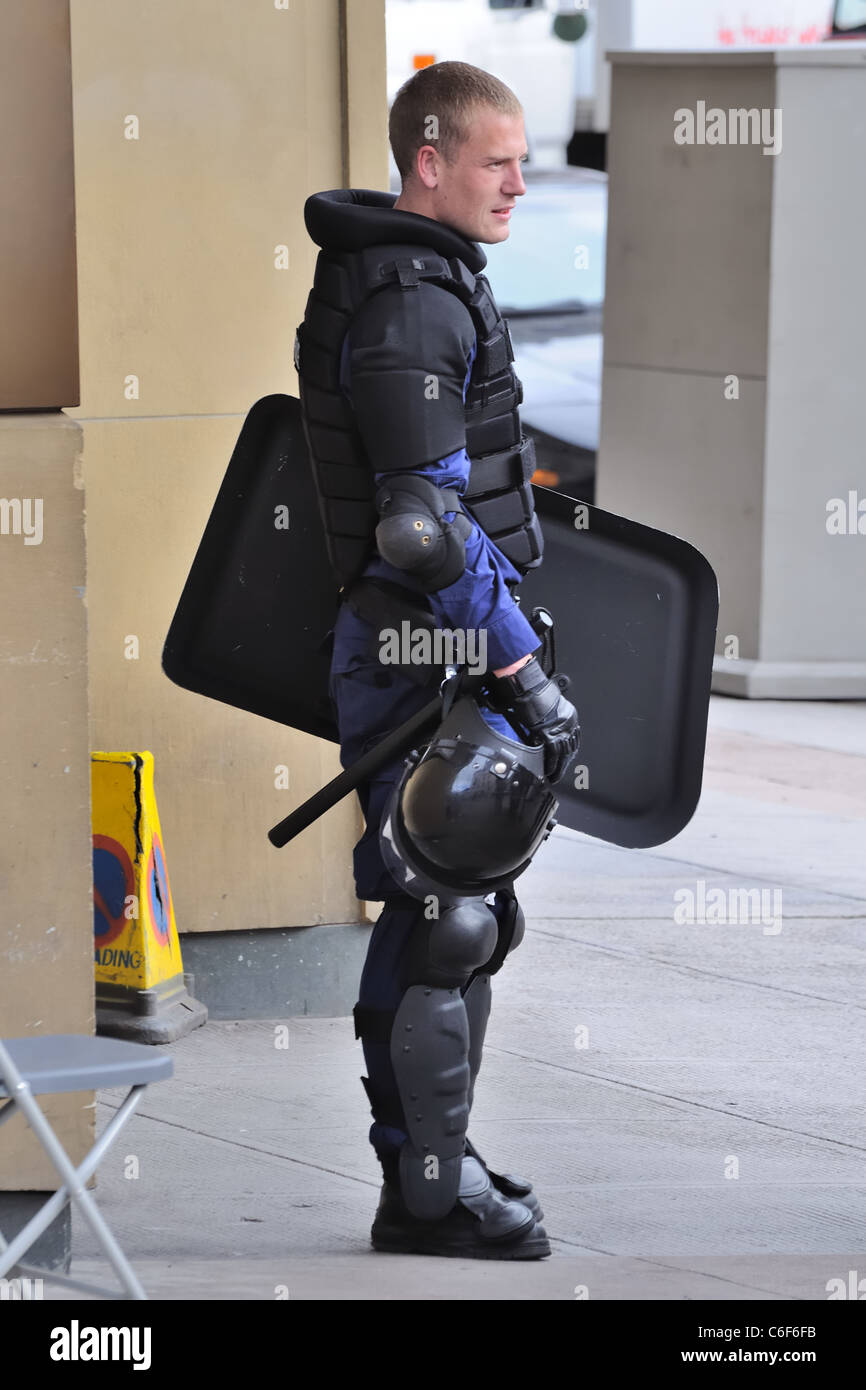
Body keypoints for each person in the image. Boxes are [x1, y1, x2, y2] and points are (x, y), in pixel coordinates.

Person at [297, 60, 579, 1259]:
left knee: (462, 908)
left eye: (520, 159)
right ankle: (423, 1196)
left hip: (436, 645)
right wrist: (520, 669)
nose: (518, 183)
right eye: (495, 162)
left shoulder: (424, 278)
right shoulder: (413, 297)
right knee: (440, 913)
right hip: (427, 649)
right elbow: (420, 526)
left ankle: (433, 1163)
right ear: (428, 163)